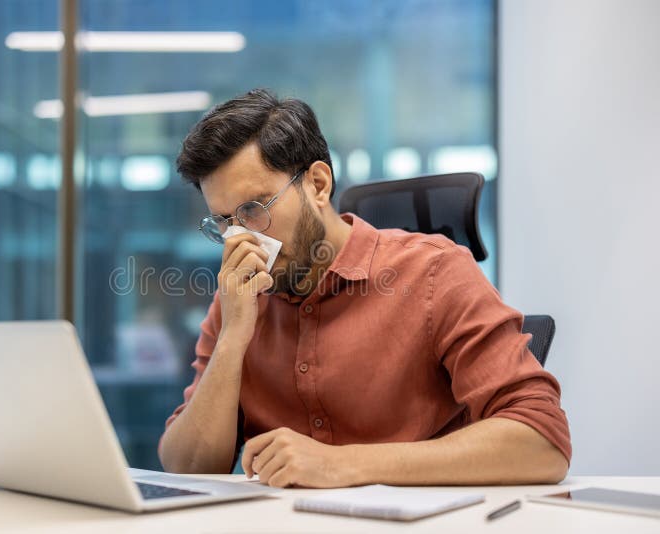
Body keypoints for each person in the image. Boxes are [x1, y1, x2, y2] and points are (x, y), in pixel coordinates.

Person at [158, 88, 571, 488]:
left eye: (254, 209)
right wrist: (232, 339)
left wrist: (342, 464)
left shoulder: (434, 271)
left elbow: (542, 440)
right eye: (224, 221)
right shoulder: (238, 298)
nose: (240, 238)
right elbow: (186, 467)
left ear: (318, 185)